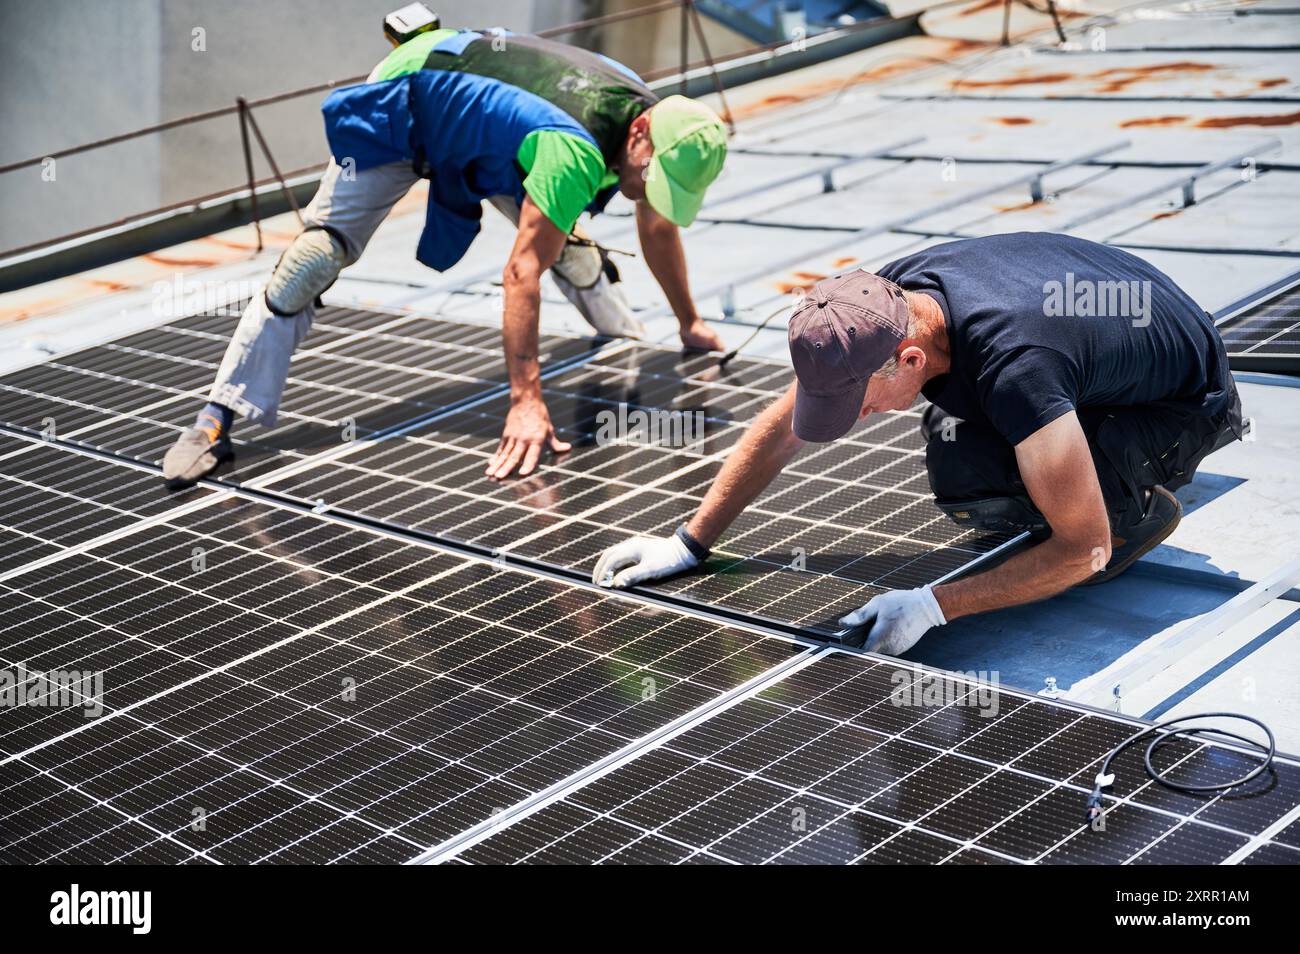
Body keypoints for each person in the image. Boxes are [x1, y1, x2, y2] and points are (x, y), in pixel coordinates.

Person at [592, 232, 1243, 655]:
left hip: (1181, 402)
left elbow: (1081, 549)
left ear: (907, 359)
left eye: (861, 402)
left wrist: (936, 605)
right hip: (1103, 331)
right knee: (962, 470)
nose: (856, 418)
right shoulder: (878, 302)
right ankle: (1080, 458)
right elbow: (783, 426)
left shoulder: (1019, 368)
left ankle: (1136, 510)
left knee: (1057, 514)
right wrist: (690, 541)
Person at [163, 26, 728, 489]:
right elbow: (520, 273)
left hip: (495, 125)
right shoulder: (574, 149)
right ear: (639, 133)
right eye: (651, 181)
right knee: (310, 262)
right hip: (411, 99)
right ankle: (216, 417)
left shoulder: (659, 126)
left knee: (575, 256)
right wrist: (525, 400)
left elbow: (656, 229)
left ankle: (624, 346)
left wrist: (690, 323)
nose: (650, 193)